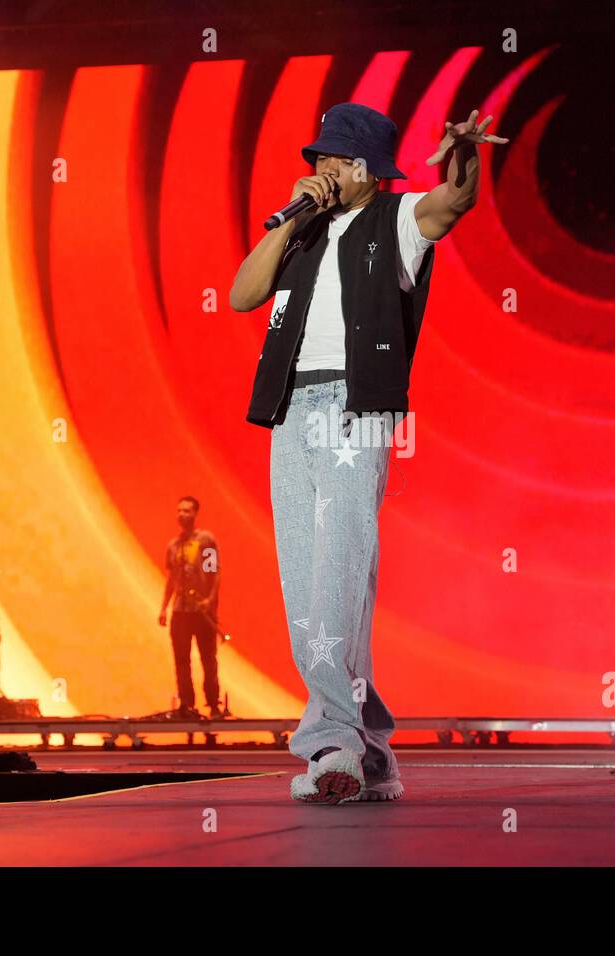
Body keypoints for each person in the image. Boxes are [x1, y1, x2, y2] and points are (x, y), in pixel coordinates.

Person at [232, 102, 507, 804]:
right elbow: (242, 294)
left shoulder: (398, 220)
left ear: (372, 172)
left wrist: (463, 156)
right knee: (308, 587)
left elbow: (454, 202)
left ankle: (329, 744)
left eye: (339, 159)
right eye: (319, 157)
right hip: (291, 410)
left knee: (338, 577)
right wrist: (291, 217)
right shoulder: (302, 232)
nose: (323, 169)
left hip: (354, 411)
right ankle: (371, 746)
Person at [158, 496, 224, 719]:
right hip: (180, 611)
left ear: (196, 513)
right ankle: (187, 705)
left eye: (187, 510)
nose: (182, 514)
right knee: (181, 660)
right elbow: (172, 578)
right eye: (179, 511)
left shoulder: (205, 540)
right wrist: (163, 608)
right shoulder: (174, 545)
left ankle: (213, 705)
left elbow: (214, 572)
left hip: (202, 611)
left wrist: (210, 600)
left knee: (208, 659)